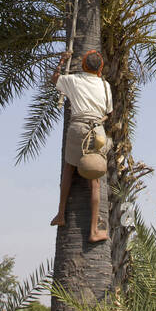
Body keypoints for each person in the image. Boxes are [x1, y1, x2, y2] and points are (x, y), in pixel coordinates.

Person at [50, 48, 112, 241]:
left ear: (83, 65)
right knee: (95, 181)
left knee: (69, 168)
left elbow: (55, 79)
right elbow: (108, 112)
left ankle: (61, 214)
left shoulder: (73, 80)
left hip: (77, 127)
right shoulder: (105, 86)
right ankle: (94, 231)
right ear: (99, 68)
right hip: (97, 131)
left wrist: (62, 60)